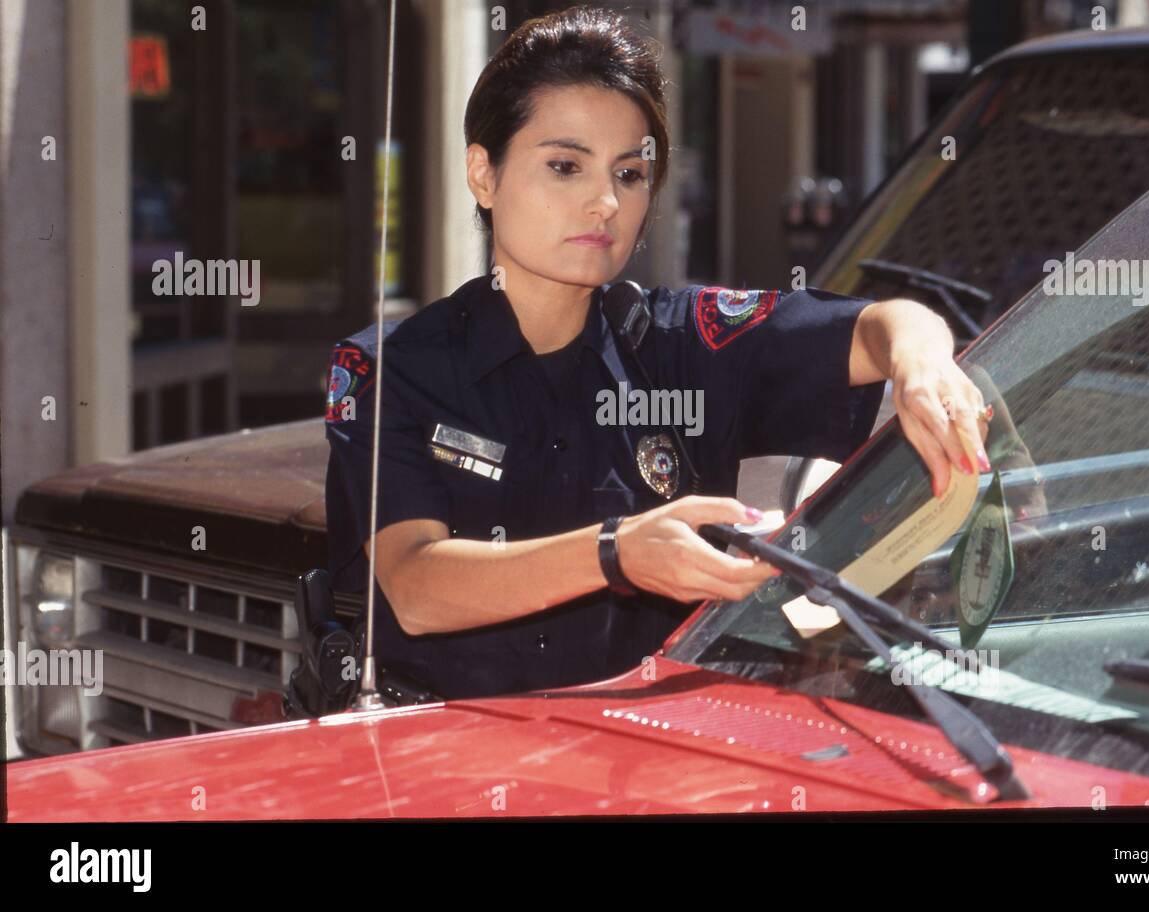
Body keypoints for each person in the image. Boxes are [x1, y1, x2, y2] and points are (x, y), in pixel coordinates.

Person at [323, 6, 990, 700]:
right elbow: (417, 588)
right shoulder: (390, 367)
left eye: (630, 175)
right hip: (446, 763)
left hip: (653, 763)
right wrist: (616, 554)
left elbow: (889, 321)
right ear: (483, 174)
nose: (605, 202)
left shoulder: (686, 344)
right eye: (565, 166)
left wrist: (922, 367)